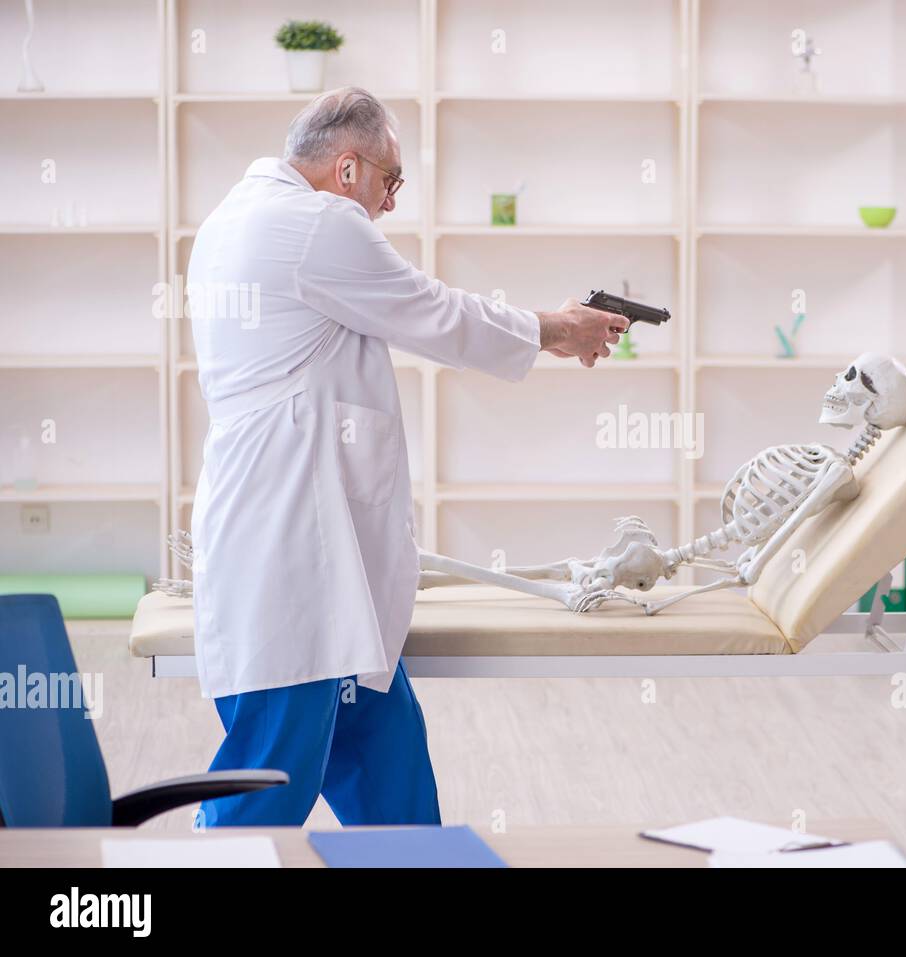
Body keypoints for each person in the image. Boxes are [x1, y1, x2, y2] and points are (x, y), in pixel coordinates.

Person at [185, 87, 625, 827]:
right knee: (263, 798)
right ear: (348, 168)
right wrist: (558, 328)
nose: (391, 202)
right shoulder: (316, 224)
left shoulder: (235, 218)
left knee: (393, 787)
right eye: (391, 180)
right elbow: (436, 313)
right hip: (292, 575)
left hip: (325, 578)